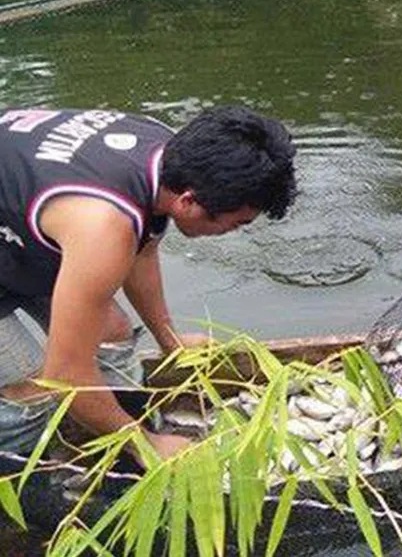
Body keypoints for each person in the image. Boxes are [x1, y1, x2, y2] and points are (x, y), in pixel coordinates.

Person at [0, 105, 297, 461]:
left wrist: (169, 340)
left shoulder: (165, 151)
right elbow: (63, 373)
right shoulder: (103, 227)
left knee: (112, 333)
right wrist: (145, 444)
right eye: (236, 224)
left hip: (18, 218)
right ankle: (20, 477)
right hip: (30, 219)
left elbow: (141, 251)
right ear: (188, 202)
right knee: (32, 388)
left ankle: (106, 424)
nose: (231, 234)